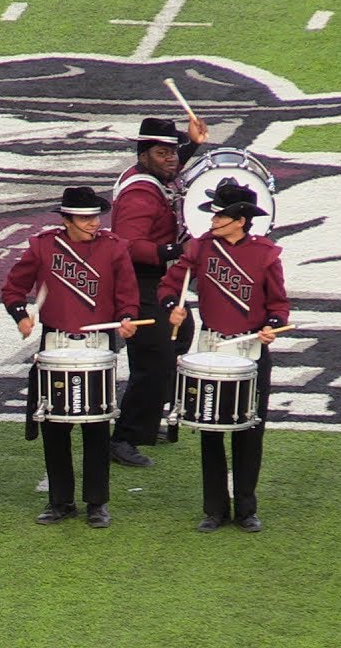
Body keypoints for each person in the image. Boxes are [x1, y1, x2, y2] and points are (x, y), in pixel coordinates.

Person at [2, 187, 141, 528]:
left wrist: (127, 318)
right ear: (66, 219)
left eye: (95, 216)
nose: (93, 223)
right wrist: (20, 315)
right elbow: (12, 288)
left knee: (96, 426)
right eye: (84, 218)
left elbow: (128, 295)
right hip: (55, 344)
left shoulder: (114, 248)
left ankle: (97, 503)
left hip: (97, 345)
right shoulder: (43, 247)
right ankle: (60, 501)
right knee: (54, 426)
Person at [160, 179, 289, 532]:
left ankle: (246, 508)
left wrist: (273, 326)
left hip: (250, 349)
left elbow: (279, 305)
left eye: (221, 214)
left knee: (250, 428)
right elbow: (171, 283)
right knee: (211, 428)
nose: (214, 219)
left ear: (242, 219)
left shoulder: (265, 254)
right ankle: (214, 508)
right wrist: (173, 306)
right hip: (211, 347)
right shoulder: (201, 248)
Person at [108, 115, 207, 466]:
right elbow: (127, 244)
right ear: (144, 153)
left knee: (179, 336)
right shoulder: (139, 195)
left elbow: (174, 156)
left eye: (173, 151)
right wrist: (172, 252)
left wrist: (192, 144)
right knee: (156, 360)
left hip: (157, 281)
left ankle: (145, 419)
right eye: (163, 152)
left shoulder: (150, 173)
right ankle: (124, 437)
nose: (172, 158)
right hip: (139, 282)